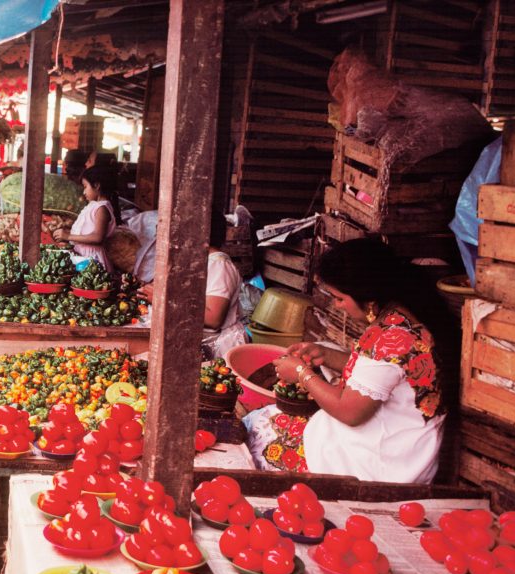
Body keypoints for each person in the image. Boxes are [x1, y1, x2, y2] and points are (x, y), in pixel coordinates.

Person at [245, 238, 454, 483]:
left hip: (382, 467)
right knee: (268, 417)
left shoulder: (391, 339)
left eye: (339, 298)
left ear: (368, 299)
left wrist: (301, 372)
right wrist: (326, 355)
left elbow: (349, 413)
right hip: (402, 450)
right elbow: (384, 374)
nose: (337, 306)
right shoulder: (401, 319)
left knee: (260, 431)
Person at [137, 214, 246, 358]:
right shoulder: (198, 262)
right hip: (196, 343)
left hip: (216, 350)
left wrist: (163, 300)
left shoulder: (219, 265)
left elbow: (213, 319)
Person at [52, 165, 117, 271]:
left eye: (85, 186)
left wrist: (68, 236)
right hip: (83, 258)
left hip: (94, 261)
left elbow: (98, 237)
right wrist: (66, 235)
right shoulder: (93, 205)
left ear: (97, 185)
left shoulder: (102, 208)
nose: (84, 192)